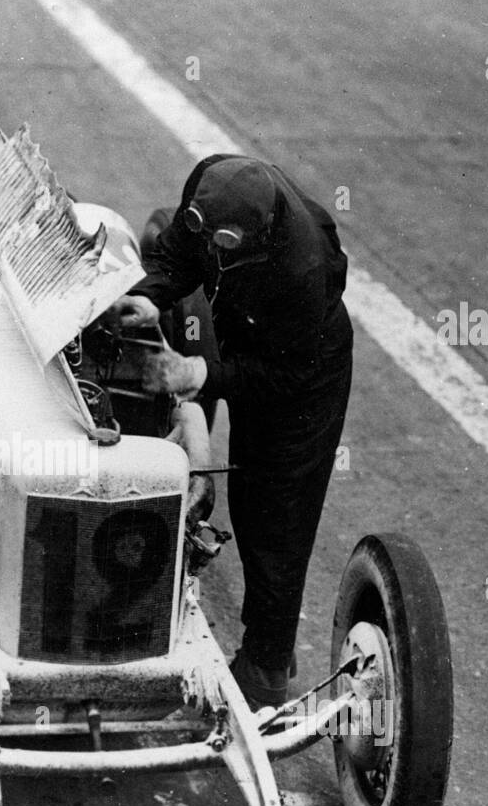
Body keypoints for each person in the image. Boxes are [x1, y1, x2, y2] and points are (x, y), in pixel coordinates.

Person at [113, 155, 353, 709]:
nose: (213, 250)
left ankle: (268, 664)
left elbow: (285, 374)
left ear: (260, 236)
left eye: (226, 242)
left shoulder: (305, 269)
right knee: (248, 502)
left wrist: (198, 373)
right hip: (243, 333)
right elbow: (179, 251)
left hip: (302, 377)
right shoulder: (210, 180)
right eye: (206, 232)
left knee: (273, 517)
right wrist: (151, 297)